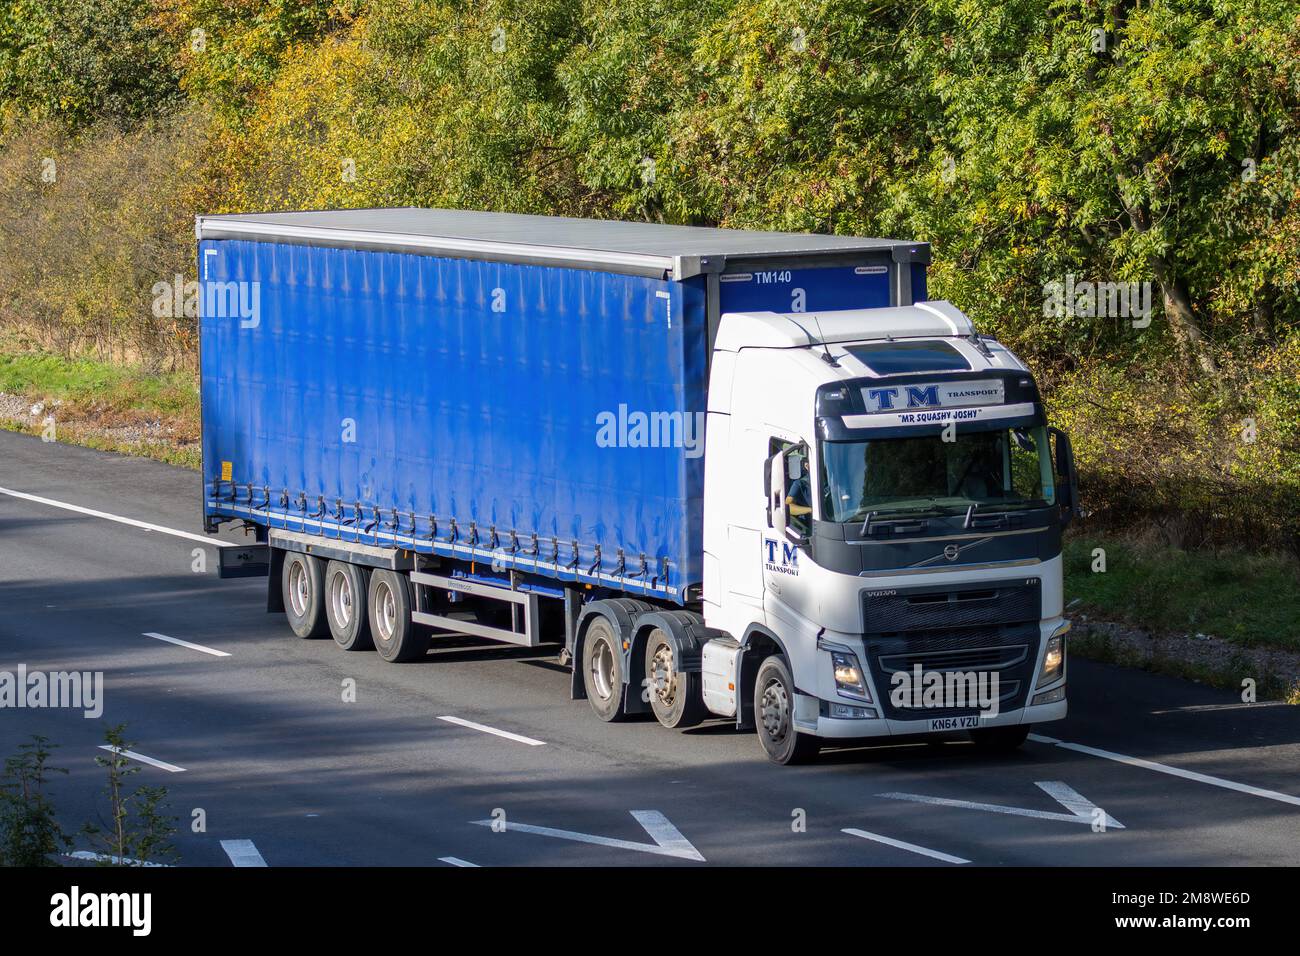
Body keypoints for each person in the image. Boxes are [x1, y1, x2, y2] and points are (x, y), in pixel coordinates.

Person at [785, 455, 812, 534]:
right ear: (806, 466)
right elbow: (787, 507)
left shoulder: (830, 481)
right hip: (812, 526)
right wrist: (810, 510)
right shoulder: (800, 484)